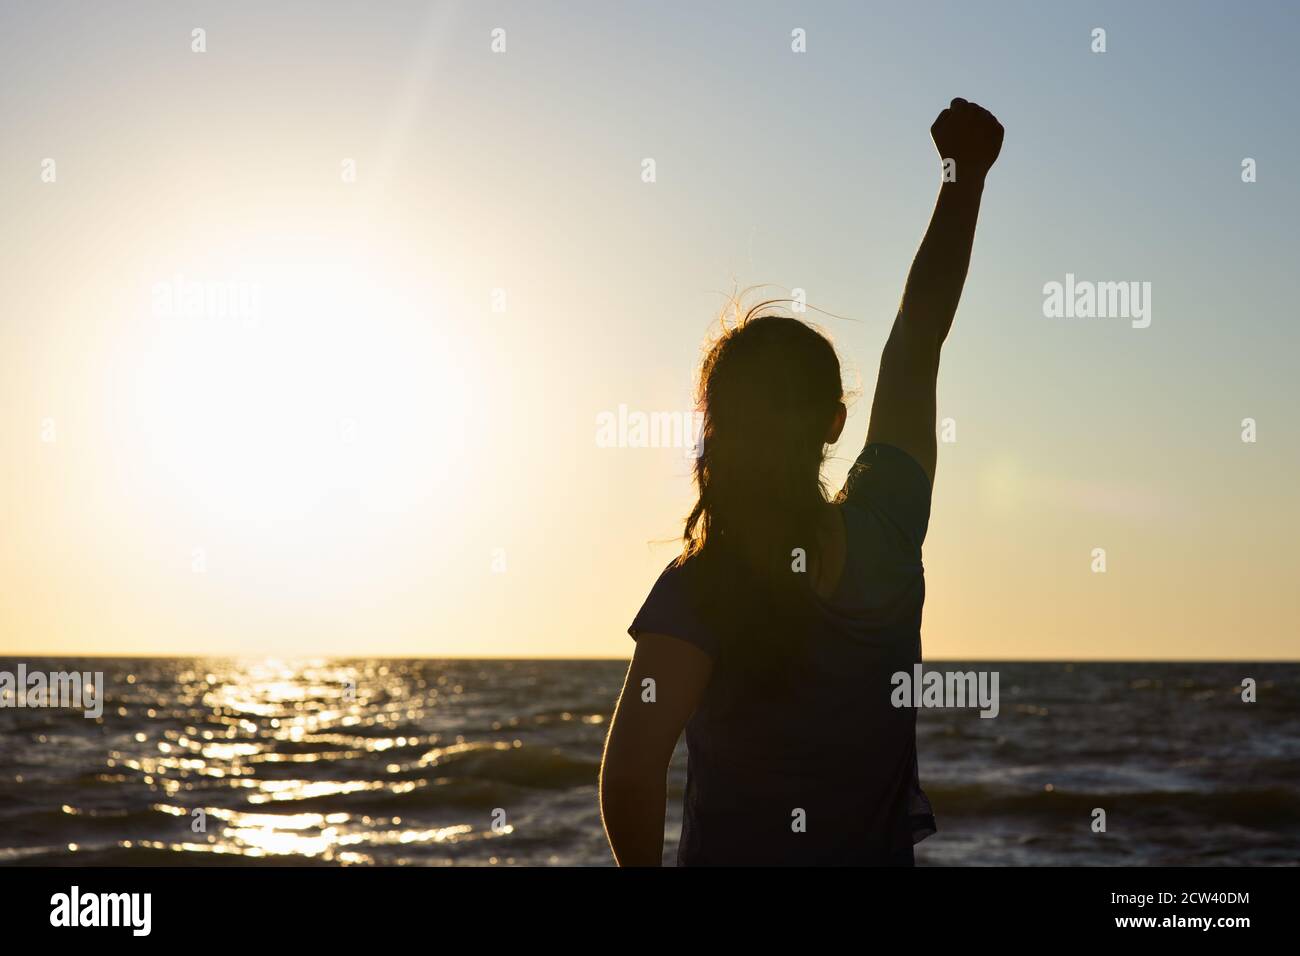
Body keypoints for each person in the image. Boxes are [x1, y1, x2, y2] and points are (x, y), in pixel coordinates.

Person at [599, 99, 1004, 866]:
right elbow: (920, 334)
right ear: (832, 423)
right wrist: (965, 177)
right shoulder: (888, 525)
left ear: (714, 425)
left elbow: (630, 775)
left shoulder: (701, 588)